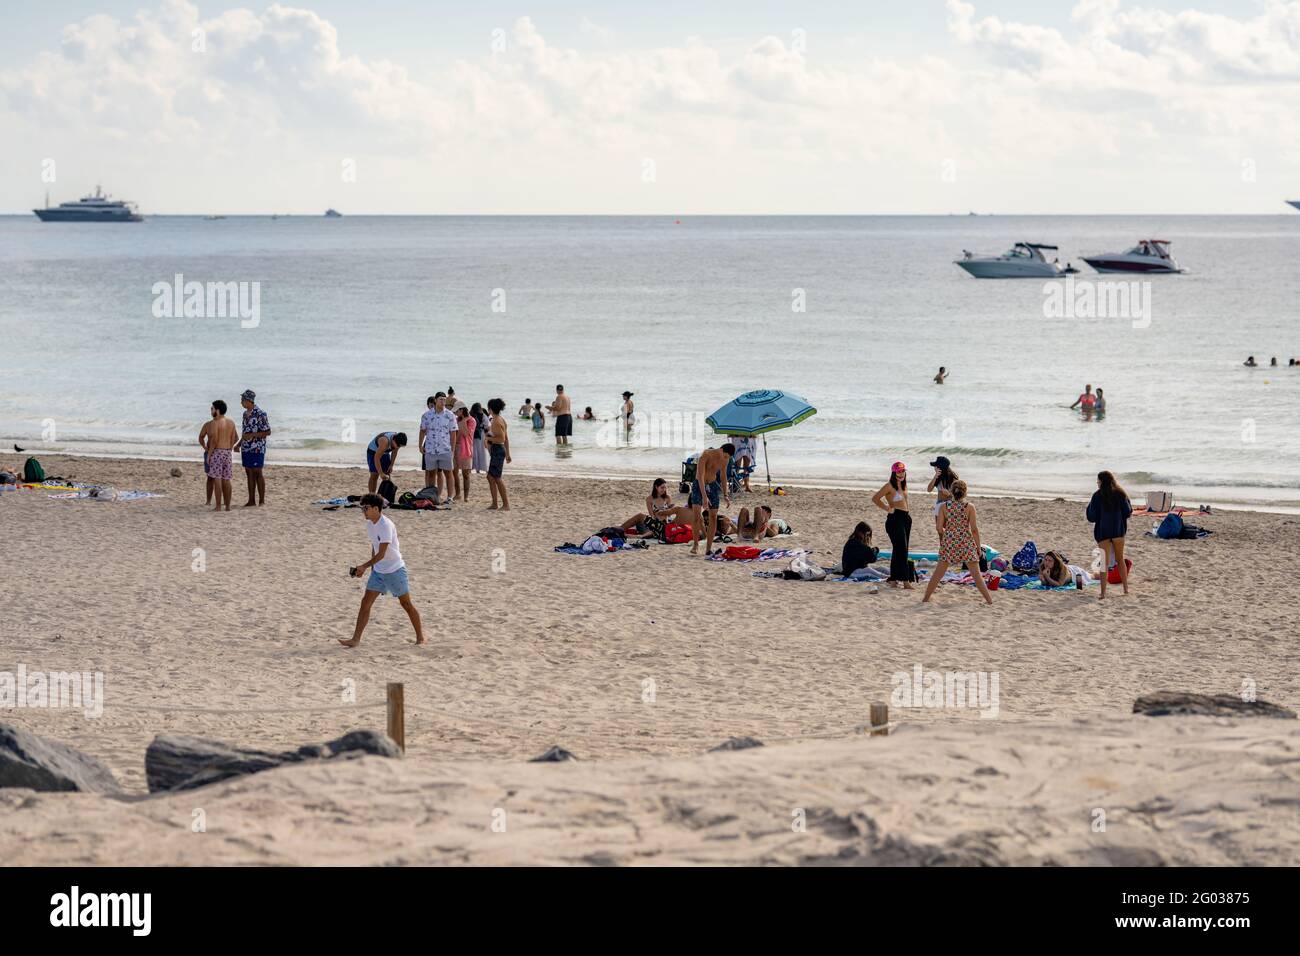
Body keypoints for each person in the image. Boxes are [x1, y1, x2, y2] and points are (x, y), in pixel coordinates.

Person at [339, 494, 425, 647]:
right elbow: (374, 546)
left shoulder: (385, 525)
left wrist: (364, 566)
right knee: (365, 603)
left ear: (376, 509)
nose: (363, 511)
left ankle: (421, 638)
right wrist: (371, 569)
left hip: (394, 570)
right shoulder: (371, 524)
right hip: (379, 572)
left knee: (406, 604)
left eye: (365, 508)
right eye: (362, 508)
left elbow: (382, 553)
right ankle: (355, 639)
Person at [921, 480, 993, 605]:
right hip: (966, 541)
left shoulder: (944, 506)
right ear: (965, 493)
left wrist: (949, 534)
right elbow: (974, 530)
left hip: (949, 541)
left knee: (938, 573)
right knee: (976, 575)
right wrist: (977, 547)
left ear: (951, 492)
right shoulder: (969, 507)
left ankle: (926, 598)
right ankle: (989, 600)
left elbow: (938, 528)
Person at [1086, 470, 1132, 601]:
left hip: (1103, 532)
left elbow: (1091, 517)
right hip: (1118, 531)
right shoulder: (1121, 493)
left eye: (1098, 481)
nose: (1097, 483)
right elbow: (1128, 512)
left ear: (1102, 481)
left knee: (1104, 563)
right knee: (1120, 559)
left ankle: (1103, 593)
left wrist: (1089, 507)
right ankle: (1125, 589)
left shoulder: (1097, 496)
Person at [872, 462, 913, 588]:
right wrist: (887, 508)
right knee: (901, 550)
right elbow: (875, 498)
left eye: (902, 471)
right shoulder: (889, 486)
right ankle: (906, 581)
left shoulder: (904, 484)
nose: (901, 474)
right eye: (898, 472)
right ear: (893, 473)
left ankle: (893, 579)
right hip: (895, 519)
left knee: (900, 549)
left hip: (906, 518)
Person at [688, 444, 735, 555]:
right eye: (726, 456)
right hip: (699, 485)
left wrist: (725, 495)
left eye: (728, 457)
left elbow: (723, 476)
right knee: (696, 516)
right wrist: (704, 497)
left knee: (713, 517)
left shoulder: (725, 460)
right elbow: (700, 476)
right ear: (721, 450)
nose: (726, 459)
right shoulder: (706, 455)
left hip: (712, 485)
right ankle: (695, 544)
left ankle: (708, 549)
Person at [236, 389, 270, 507]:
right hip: (246, 448)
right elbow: (245, 433)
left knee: (257, 472)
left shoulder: (261, 413)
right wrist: (239, 444)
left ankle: (261, 501)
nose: (241, 402)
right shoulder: (245, 414)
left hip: (257, 448)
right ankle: (251, 501)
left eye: (242, 400)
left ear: (249, 401)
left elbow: (267, 432)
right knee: (249, 472)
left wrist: (252, 435)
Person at [418, 394, 457, 498]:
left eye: (444, 399)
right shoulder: (426, 415)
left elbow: (453, 434)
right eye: (441, 399)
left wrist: (452, 450)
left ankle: (450, 497)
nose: (443, 401)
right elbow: (422, 431)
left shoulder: (450, 415)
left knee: (448, 474)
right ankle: (432, 496)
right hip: (430, 449)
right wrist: (420, 445)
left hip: (445, 449)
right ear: (435, 400)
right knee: (431, 474)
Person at [620, 478, 691, 533]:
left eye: (665, 487)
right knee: (641, 517)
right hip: (654, 520)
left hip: (664, 521)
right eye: (662, 487)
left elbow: (669, 515)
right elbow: (651, 515)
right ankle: (620, 528)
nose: (664, 489)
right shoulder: (649, 499)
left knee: (641, 518)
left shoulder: (667, 498)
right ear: (656, 487)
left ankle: (621, 529)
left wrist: (669, 508)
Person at [204, 400, 238, 511]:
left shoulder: (215, 423)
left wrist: (209, 454)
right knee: (227, 479)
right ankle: (228, 506)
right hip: (228, 452)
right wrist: (230, 447)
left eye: (212, 409)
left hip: (217, 452)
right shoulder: (231, 422)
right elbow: (236, 438)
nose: (211, 411)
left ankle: (218, 506)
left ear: (217, 411)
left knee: (217, 479)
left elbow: (214, 440)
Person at [485, 397, 511, 510]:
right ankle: (495, 503)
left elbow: (501, 438)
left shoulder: (496, 421)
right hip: (500, 450)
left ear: (490, 409)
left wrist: (487, 439)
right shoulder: (501, 419)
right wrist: (508, 453)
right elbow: (506, 438)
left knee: (496, 477)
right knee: (490, 477)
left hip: (498, 449)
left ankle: (506, 504)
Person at [926, 456, 958, 533]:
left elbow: (958, 496)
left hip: (950, 505)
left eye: (936, 466)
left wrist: (949, 494)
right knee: (940, 530)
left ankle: (948, 544)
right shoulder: (938, 477)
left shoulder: (953, 479)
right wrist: (935, 476)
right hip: (939, 504)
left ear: (941, 467)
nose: (934, 468)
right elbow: (929, 489)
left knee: (948, 530)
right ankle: (943, 545)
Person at [453, 405, 475, 501]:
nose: (455, 413)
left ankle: (466, 496)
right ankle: (458, 494)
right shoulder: (456, 420)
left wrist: (463, 421)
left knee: (466, 474)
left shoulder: (471, 421)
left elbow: (466, 434)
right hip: (455, 447)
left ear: (461, 410)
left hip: (466, 448)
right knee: (454, 472)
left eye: (456, 411)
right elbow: (455, 435)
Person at [198, 412, 215, 506]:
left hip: (220, 452)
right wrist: (205, 447)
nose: (211, 411)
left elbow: (234, 437)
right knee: (210, 477)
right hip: (209, 453)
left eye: (212, 408)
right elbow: (201, 437)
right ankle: (208, 500)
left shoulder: (225, 423)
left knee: (222, 478)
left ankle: (223, 501)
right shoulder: (208, 425)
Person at [470, 402, 489, 474]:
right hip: (480, 434)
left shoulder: (470, 414)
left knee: (473, 450)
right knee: (481, 451)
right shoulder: (482, 415)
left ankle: (473, 467)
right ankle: (482, 468)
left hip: (472, 434)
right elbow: (486, 425)